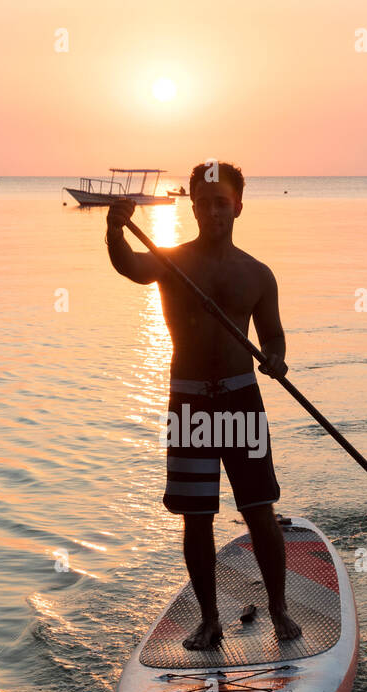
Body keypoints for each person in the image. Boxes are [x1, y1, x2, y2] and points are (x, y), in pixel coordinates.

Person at [105, 161, 301, 651]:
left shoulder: (257, 273)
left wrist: (275, 360)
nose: (213, 210)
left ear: (237, 205)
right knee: (197, 518)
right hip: (190, 403)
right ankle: (210, 619)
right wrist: (113, 230)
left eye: (222, 201)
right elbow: (130, 265)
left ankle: (278, 610)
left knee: (259, 511)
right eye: (203, 201)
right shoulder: (170, 261)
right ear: (192, 206)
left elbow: (273, 335)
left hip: (241, 401)